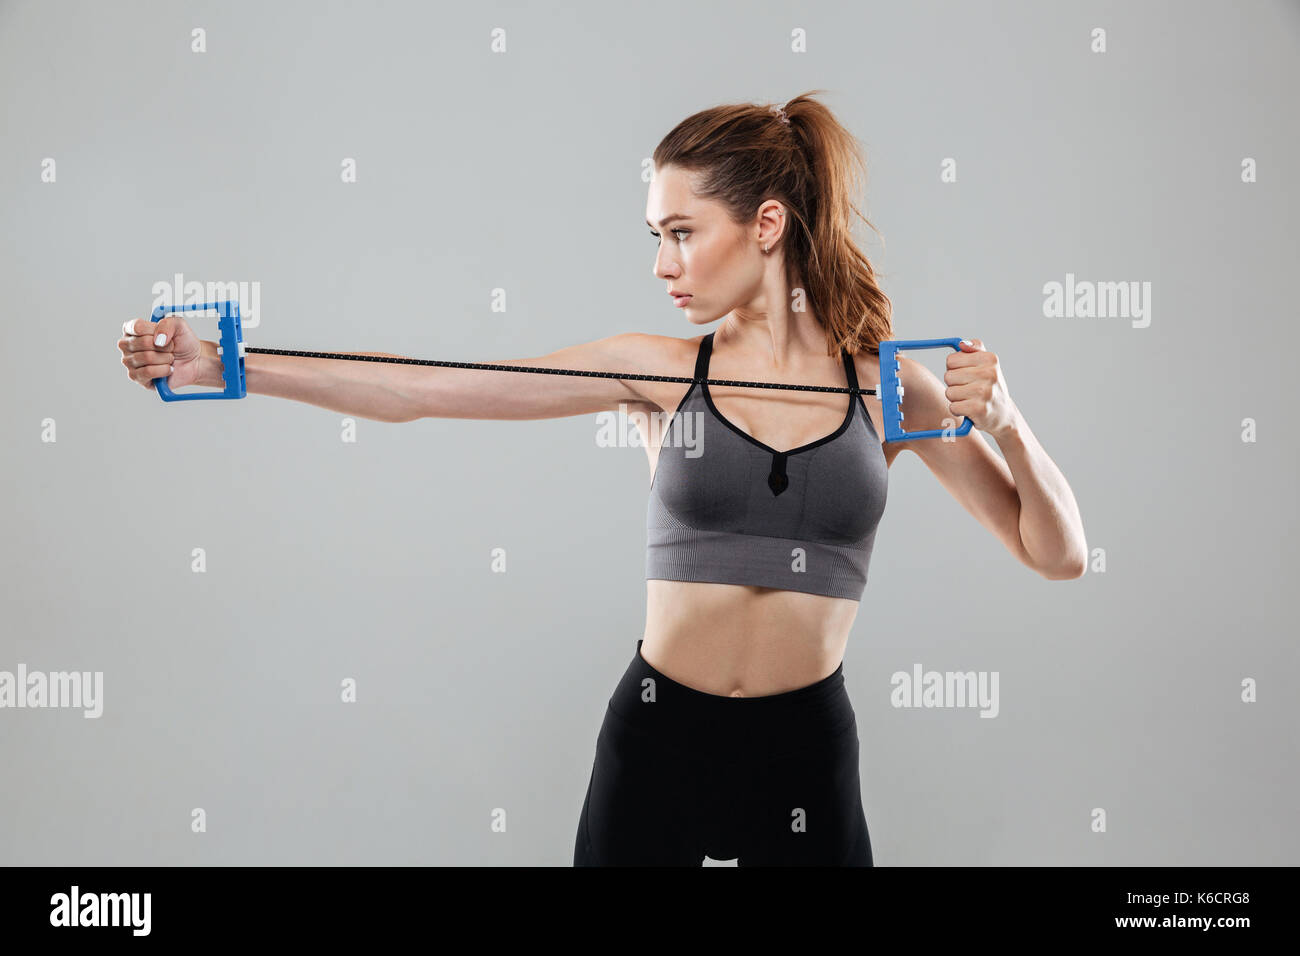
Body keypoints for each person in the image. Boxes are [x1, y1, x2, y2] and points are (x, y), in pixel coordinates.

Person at [117, 90, 1087, 866]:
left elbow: (1058, 555)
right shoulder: (658, 369)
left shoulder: (886, 383)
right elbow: (430, 388)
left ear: (765, 224)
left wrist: (1007, 422)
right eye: (652, 235)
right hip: (659, 737)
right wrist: (227, 367)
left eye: (679, 231)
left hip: (804, 751)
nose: (661, 262)